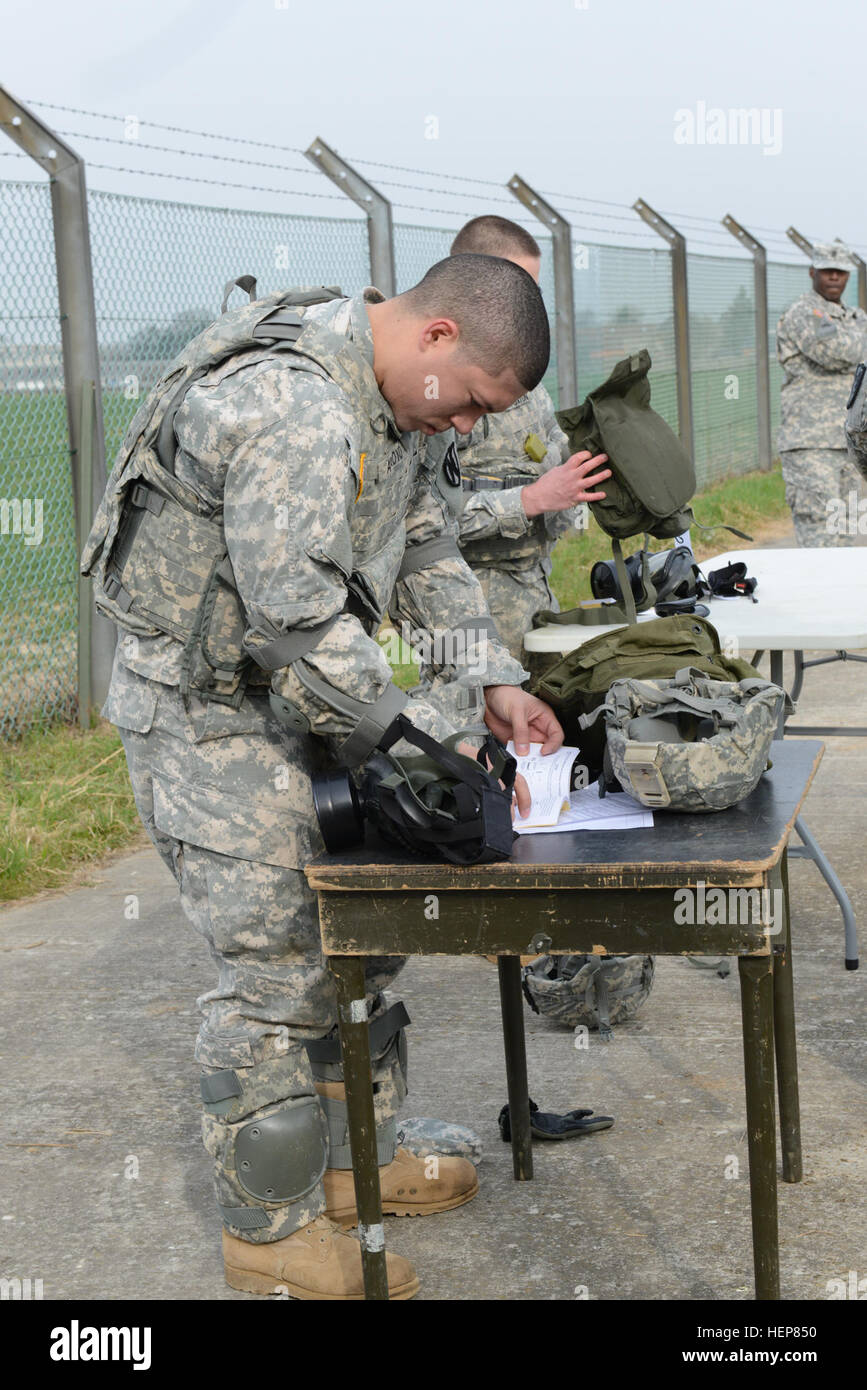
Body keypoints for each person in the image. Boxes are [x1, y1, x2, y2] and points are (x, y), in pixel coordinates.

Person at [82, 254, 565, 1300]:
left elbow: (427, 534)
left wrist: (486, 679)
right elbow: (296, 626)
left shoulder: (398, 402)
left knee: (368, 926)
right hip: (211, 716)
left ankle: (354, 1161)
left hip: (296, 698)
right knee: (280, 962)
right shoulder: (295, 407)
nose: (469, 430)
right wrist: (426, 751)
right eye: (474, 403)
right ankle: (270, 1232)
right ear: (438, 338)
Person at [404, 216, 610, 665]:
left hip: (535, 597)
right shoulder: (428, 394)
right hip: (464, 619)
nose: (529, 306)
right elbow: (417, 525)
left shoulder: (525, 384)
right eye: (518, 285)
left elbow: (553, 452)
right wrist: (529, 501)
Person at [776, 239, 867, 546]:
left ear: (848, 277)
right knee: (820, 539)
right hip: (810, 443)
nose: (833, 277)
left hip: (852, 443)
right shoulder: (804, 313)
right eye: (827, 270)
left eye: (840, 272)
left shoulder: (856, 318)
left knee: (847, 535)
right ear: (812, 271)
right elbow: (833, 351)